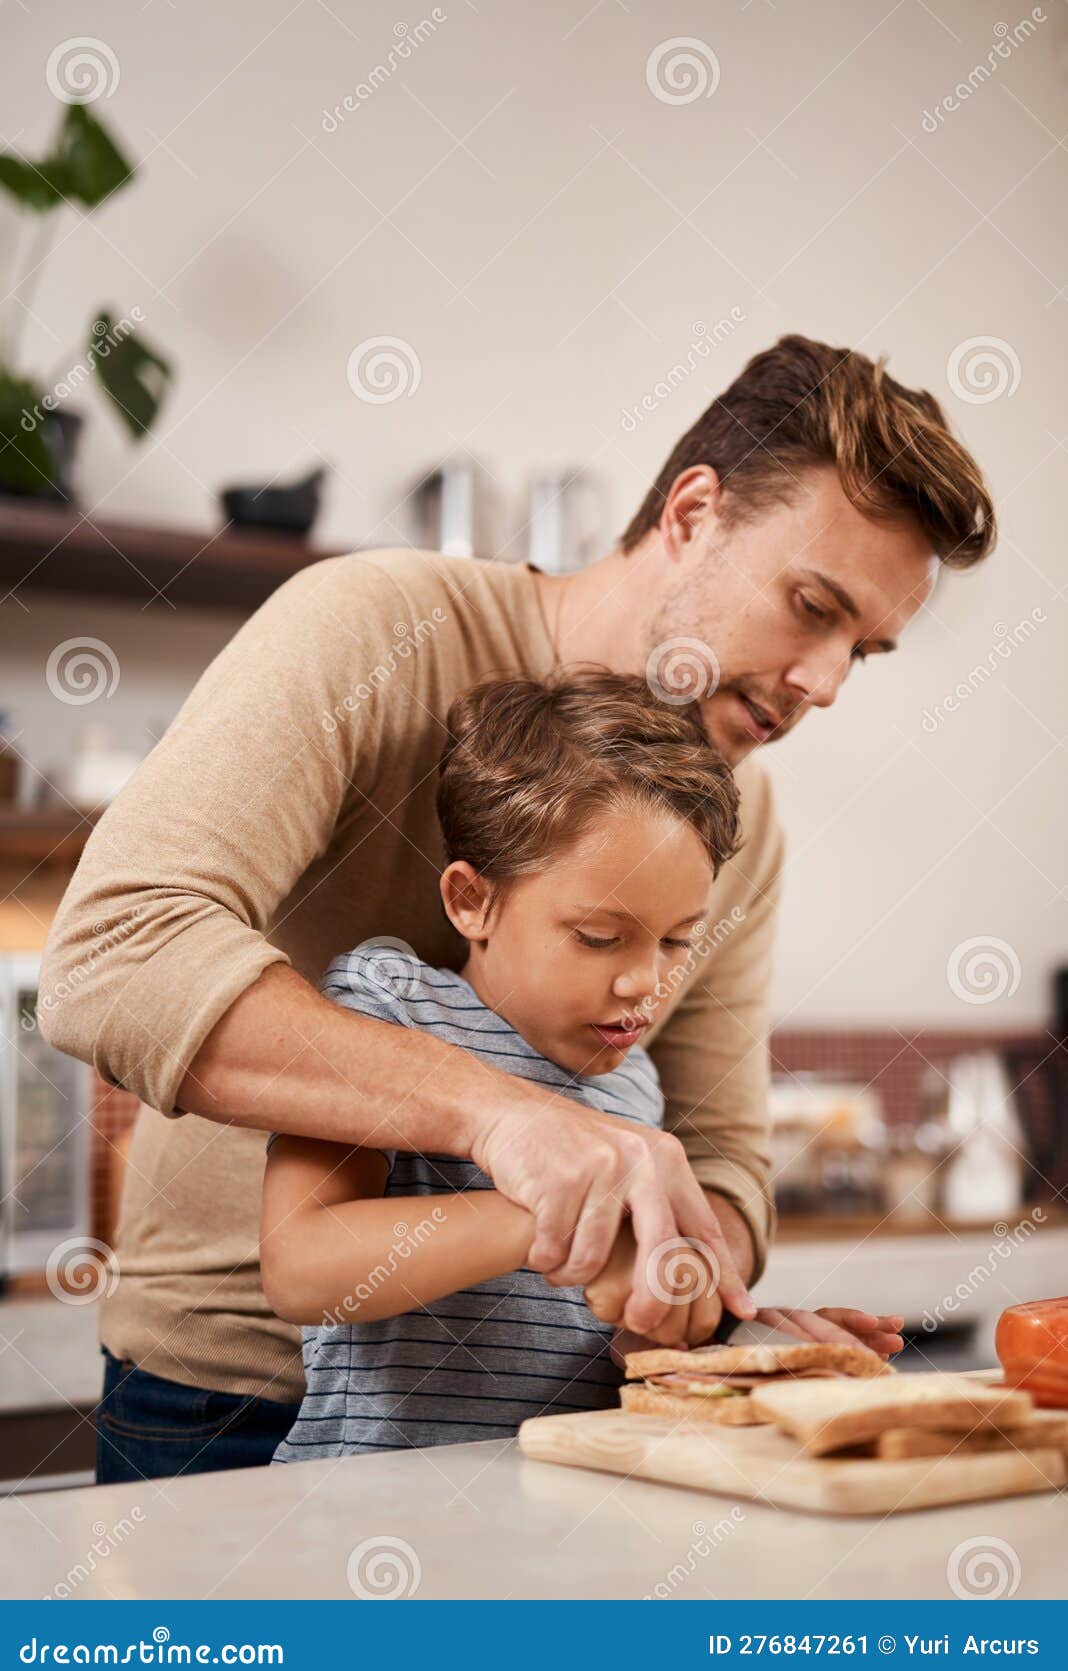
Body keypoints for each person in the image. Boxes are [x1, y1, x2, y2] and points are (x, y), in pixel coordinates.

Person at [36, 334, 992, 1482]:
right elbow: (111, 955)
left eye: (865, 651)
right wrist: (503, 1122)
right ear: (693, 514)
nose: (826, 683)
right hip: (237, 1405)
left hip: (559, 1421)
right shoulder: (370, 629)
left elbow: (721, 1157)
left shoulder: (744, 820)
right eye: (811, 605)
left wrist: (704, 1311)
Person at [263, 671, 902, 1463]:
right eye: (600, 938)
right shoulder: (389, 1009)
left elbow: (620, 1342)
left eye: (677, 941)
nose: (648, 982)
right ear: (472, 902)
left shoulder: (631, 1083)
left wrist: (729, 1335)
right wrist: (559, 1216)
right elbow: (300, 1267)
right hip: (378, 1516)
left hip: (565, 1508)